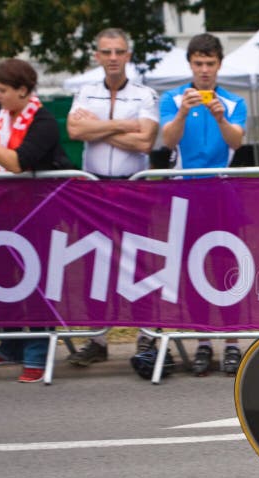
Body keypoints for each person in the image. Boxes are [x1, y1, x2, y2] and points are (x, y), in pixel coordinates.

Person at [65, 27, 160, 368]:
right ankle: (97, 338)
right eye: (107, 52)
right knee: (95, 264)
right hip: (95, 188)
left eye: (119, 51)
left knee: (139, 264)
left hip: (134, 186)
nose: (113, 58)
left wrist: (100, 127)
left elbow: (146, 141)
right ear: (97, 56)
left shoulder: (145, 94)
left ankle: (147, 336)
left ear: (128, 54)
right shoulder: (85, 92)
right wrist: (124, 126)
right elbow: (75, 131)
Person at [0, 58, 74, 382]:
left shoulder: (43, 121)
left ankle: (37, 353)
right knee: (2, 279)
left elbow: (18, 163)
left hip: (37, 215)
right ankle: (11, 346)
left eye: (3, 90)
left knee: (35, 284)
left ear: (22, 91)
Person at [159, 32, 247, 376]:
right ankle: (203, 342)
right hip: (186, 194)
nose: (205, 70)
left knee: (226, 268)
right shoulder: (172, 98)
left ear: (219, 64)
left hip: (222, 193)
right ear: (191, 65)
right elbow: (167, 140)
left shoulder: (234, 101)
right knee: (192, 269)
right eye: (199, 63)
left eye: (210, 63)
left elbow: (237, 142)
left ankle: (232, 343)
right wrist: (182, 113)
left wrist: (222, 118)